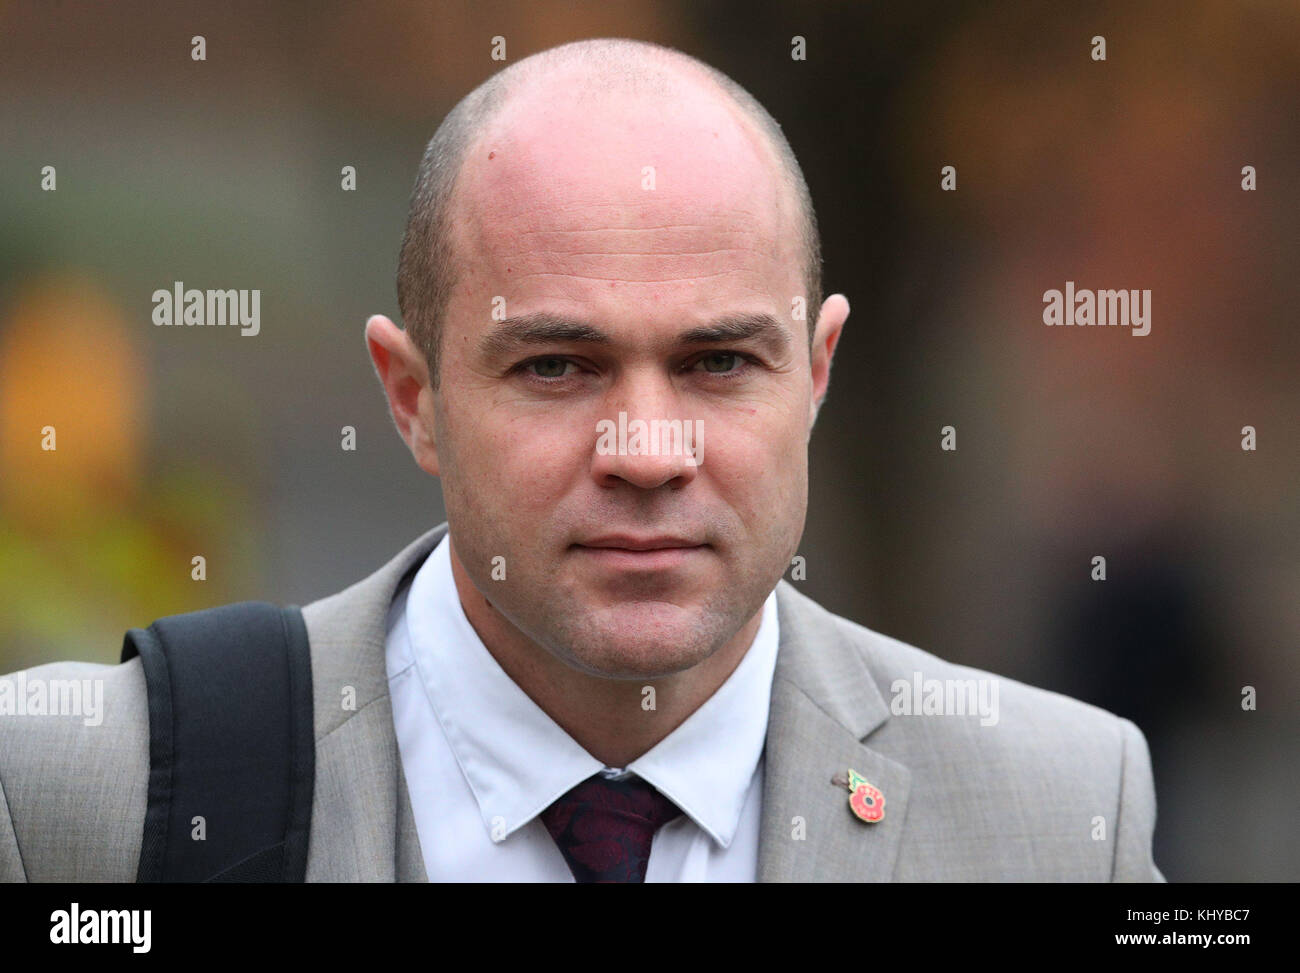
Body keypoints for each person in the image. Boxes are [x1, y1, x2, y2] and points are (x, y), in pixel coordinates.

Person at [0, 37, 1162, 882]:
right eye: (557, 366)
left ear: (815, 375)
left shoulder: (1059, 816)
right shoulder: (81, 791)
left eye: (717, 363)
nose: (647, 452)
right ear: (413, 399)